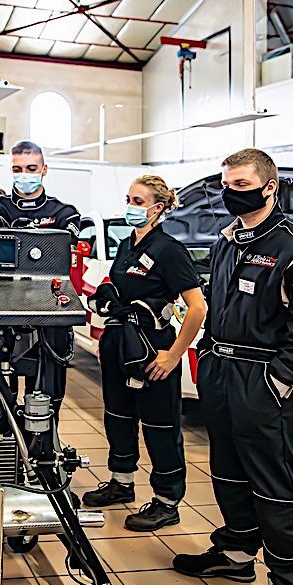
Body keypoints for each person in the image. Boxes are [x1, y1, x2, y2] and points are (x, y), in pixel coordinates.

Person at [172, 149, 293, 585]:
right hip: (222, 372)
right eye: (227, 184)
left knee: (273, 480)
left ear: (270, 186)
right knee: (227, 469)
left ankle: (289, 582)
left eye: (242, 185)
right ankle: (236, 552)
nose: (231, 193)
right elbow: (217, 305)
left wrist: (282, 381)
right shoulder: (227, 242)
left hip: (262, 378)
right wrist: (207, 355)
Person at [81, 175, 206, 532]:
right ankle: (121, 482)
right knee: (118, 417)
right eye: (128, 199)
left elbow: (196, 308)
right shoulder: (126, 244)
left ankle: (167, 502)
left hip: (154, 349)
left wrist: (173, 355)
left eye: (138, 201)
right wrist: (107, 291)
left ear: (159, 208)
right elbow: (120, 284)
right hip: (121, 343)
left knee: (159, 427)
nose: (130, 207)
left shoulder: (169, 250)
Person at [0, 140, 81, 430]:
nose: (25, 175)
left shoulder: (65, 212)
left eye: (31, 168)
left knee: (49, 398)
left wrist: (14, 242)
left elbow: (61, 246)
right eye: (18, 169)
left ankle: (43, 460)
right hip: (0, 311)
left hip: (49, 312)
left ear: (44, 170)